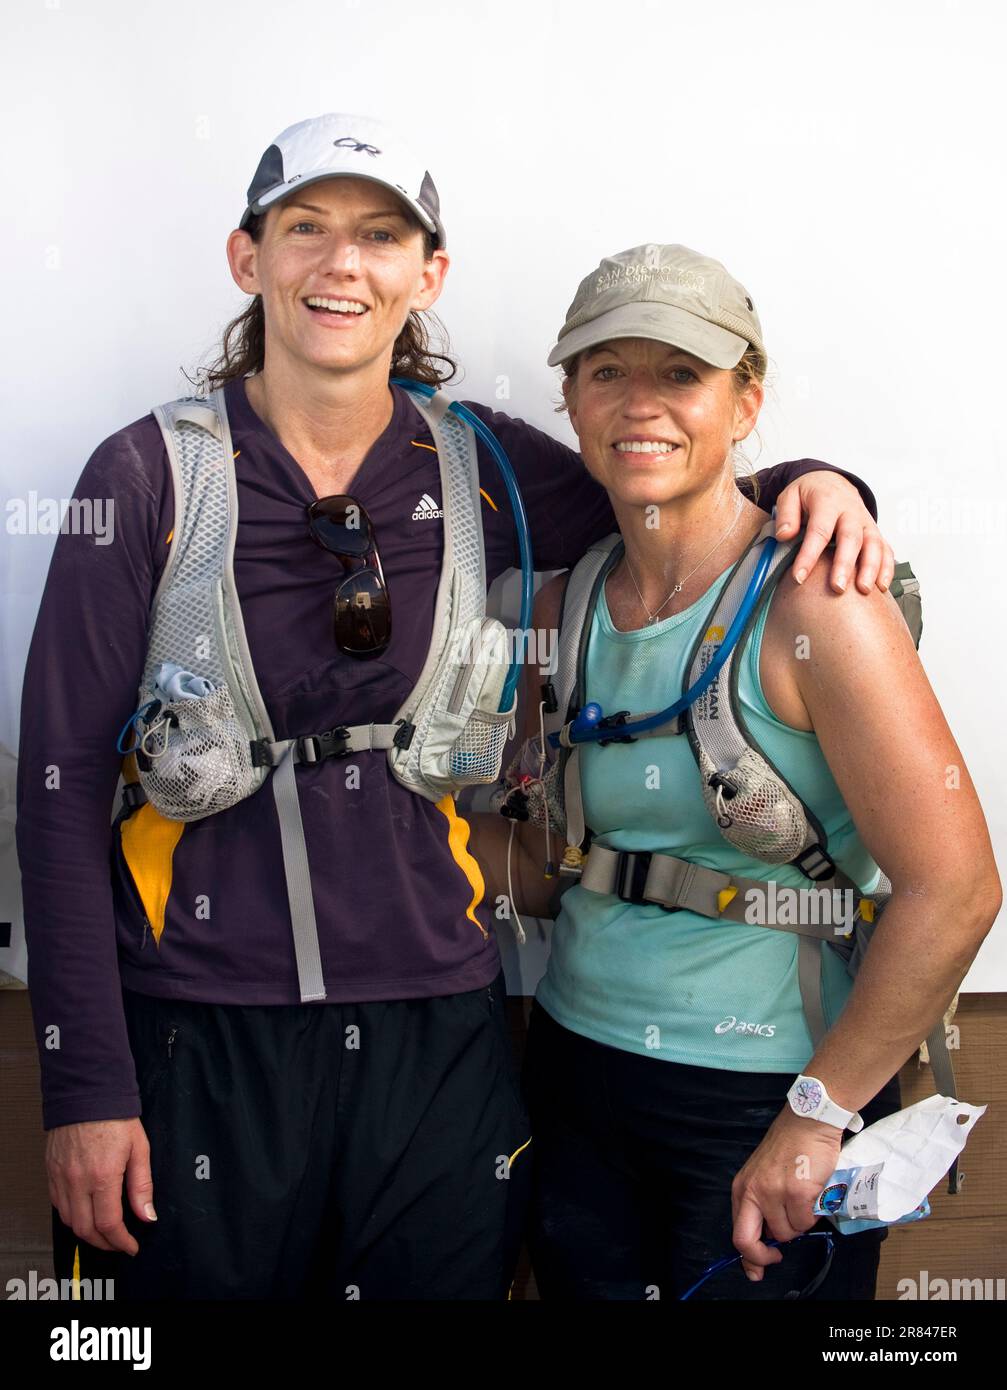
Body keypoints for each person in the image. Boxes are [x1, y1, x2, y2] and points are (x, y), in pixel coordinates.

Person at [15, 118, 890, 1301]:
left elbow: (665, 480)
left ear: (426, 275)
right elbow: (57, 788)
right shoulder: (149, 479)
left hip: (440, 1033)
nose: (342, 265)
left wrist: (814, 484)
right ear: (246, 258)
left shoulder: (482, 462)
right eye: (305, 230)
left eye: (380, 236)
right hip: (197, 1029)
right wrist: (86, 1089)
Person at [470, 242, 1001, 1301]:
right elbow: (529, 872)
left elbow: (957, 891)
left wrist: (816, 1116)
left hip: (764, 1094)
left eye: (680, 373)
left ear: (744, 400)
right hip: (575, 1073)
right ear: (568, 399)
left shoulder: (818, 604)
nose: (640, 405)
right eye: (605, 370)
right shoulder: (553, 609)